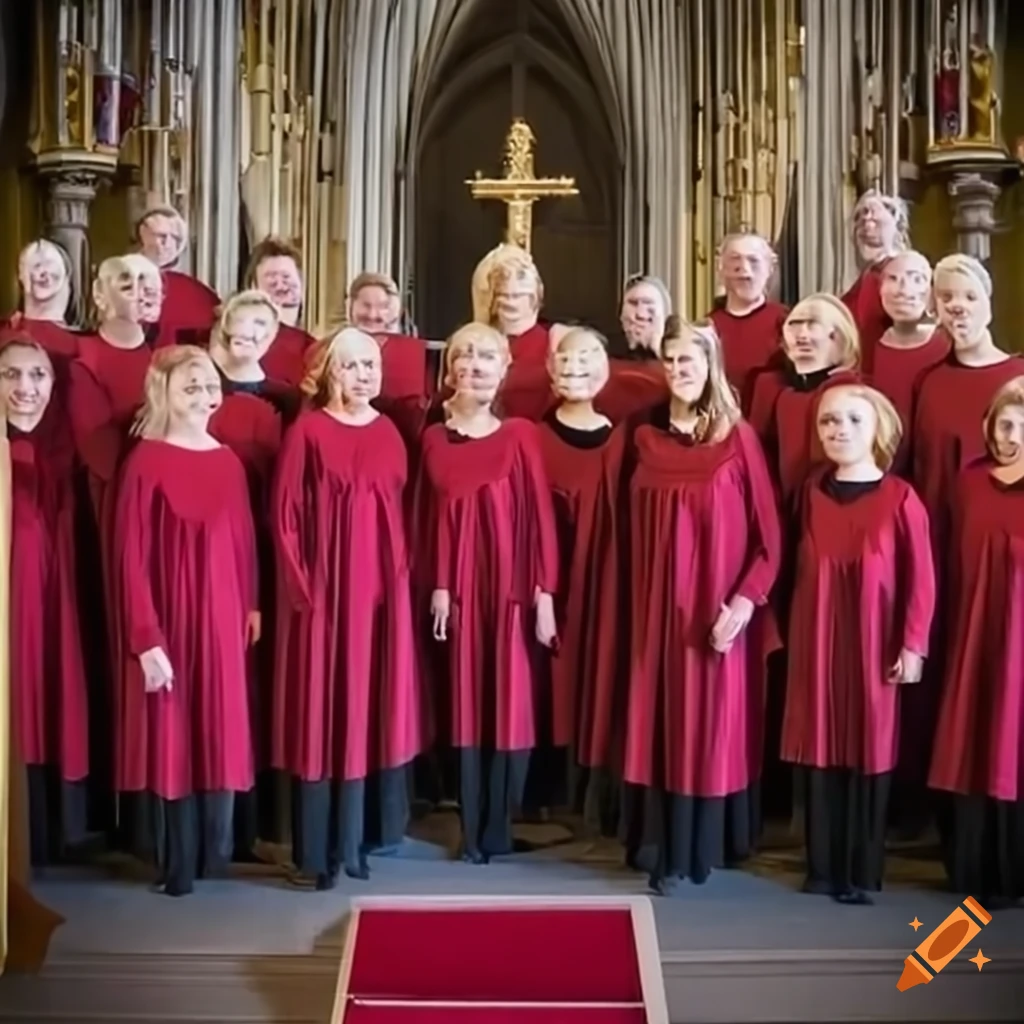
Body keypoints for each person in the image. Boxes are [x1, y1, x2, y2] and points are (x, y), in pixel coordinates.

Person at [623, 321, 780, 893]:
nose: (679, 370)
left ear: (711, 364)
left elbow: (770, 540)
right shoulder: (643, 436)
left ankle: (700, 849)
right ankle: (659, 845)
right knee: (659, 723)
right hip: (655, 615)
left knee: (707, 729)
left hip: (714, 615)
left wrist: (742, 604)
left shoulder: (738, 440)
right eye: (670, 360)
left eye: (690, 359)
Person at [272, 328, 423, 887]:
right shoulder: (308, 432)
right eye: (352, 366)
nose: (364, 375)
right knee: (320, 717)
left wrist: (396, 583)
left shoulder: (388, 433)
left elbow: (399, 514)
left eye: (371, 365)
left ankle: (353, 844)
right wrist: (303, 592)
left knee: (362, 715)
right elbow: (285, 515)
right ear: (329, 373)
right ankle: (315, 855)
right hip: (323, 598)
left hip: (377, 599)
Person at [113, 346, 257, 896]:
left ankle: (212, 858)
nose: (202, 396)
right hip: (169, 619)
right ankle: (175, 865)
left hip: (221, 620)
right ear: (164, 393)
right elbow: (131, 557)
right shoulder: (146, 461)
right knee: (173, 735)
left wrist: (250, 606)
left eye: (208, 385)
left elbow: (243, 542)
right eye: (189, 387)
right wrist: (145, 637)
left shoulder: (228, 461)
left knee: (217, 732)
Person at [782, 384, 934, 905]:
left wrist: (913, 644)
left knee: (869, 749)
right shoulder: (809, 492)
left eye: (851, 420)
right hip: (817, 640)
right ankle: (821, 867)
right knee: (820, 748)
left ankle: (862, 871)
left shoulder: (901, 498)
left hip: (875, 646)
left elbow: (921, 579)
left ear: (877, 431)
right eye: (828, 421)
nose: (838, 429)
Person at [418, 322, 559, 863]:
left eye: (485, 357)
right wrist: (438, 586)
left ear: (504, 370)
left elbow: (539, 518)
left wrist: (544, 594)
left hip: (511, 590)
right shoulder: (431, 437)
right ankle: (470, 830)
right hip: (454, 596)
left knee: (510, 705)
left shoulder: (521, 434)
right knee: (466, 704)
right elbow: (425, 521)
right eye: (464, 356)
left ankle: (500, 828)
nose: (473, 366)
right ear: (450, 368)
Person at [929, 377, 1024, 906]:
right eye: (1002, 424)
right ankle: (973, 866)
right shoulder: (969, 482)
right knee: (972, 739)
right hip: (972, 635)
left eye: (1021, 428)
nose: (1010, 436)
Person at [207, 290, 293, 849]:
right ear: (226, 323)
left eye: (265, 324)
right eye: (245, 321)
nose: (254, 332)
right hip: (210, 546)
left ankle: (258, 819)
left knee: (260, 683)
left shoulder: (284, 399)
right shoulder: (196, 382)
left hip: (264, 542)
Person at [1, 337, 89, 865]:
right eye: (11, 376)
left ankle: (52, 832)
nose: (25, 389)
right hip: (11, 600)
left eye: (37, 376)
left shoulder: (72, 448)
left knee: (53, 694)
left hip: (60, 599)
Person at [534, 327, 626, 827]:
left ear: (605, 370)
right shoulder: (531, 437)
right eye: (565, 362)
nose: (575, 371)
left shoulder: (623, 439)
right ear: (550, 371)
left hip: (604, 584)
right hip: (550, 584)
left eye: (588, 360)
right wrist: (541, 590)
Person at [748, 294, 862, 511]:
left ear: (837, 336)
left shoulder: (854, 395)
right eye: (794, 324)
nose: (801, 334)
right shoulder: (774, 391)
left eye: (812, 324)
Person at [869, 251, 949, 474]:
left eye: (916, 279)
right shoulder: (870, 348)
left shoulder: (949, 344)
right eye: (893, 279)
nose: (904, 290)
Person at [469, 245, 569, 420]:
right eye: (503, 295)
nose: (511, 302)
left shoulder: (556, 341)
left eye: (519, 295)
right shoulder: (474, 343)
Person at [708, 232, 788, 411]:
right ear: (720, 268)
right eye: (735, 260)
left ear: (770, 269)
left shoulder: (788, 323)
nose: (744, 269)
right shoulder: (706, 328)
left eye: (754, 260)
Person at [841, 191, 910, 374]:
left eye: (874, 219)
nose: (866, 226)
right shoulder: (864, 279)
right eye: (860, 220)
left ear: (896, 224)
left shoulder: (905, 274)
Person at [135, 205, 220, 346]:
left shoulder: (197, 292)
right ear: (143, 234)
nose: (167, 243)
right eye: (161, 235)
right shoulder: (122, 280)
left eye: (175, 237)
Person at [5, 240, 80, 391]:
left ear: (66, 277)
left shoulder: (81, 345)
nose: (44, 272)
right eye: (36, 266)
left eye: (50, 265)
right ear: (21, 275)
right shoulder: (6, 333)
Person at [597, 275, 672, 423]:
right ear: (621, 314)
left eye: (648, 304)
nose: (640, 314)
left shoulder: (680, 359)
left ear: (665, 315)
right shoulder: (601, 356)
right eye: (633, 303)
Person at [244, 237, 316, 387]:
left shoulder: (314, 349)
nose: (280, 284)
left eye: (286, 276)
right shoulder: (242, 343)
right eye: (271, 277)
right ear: (253, 286)